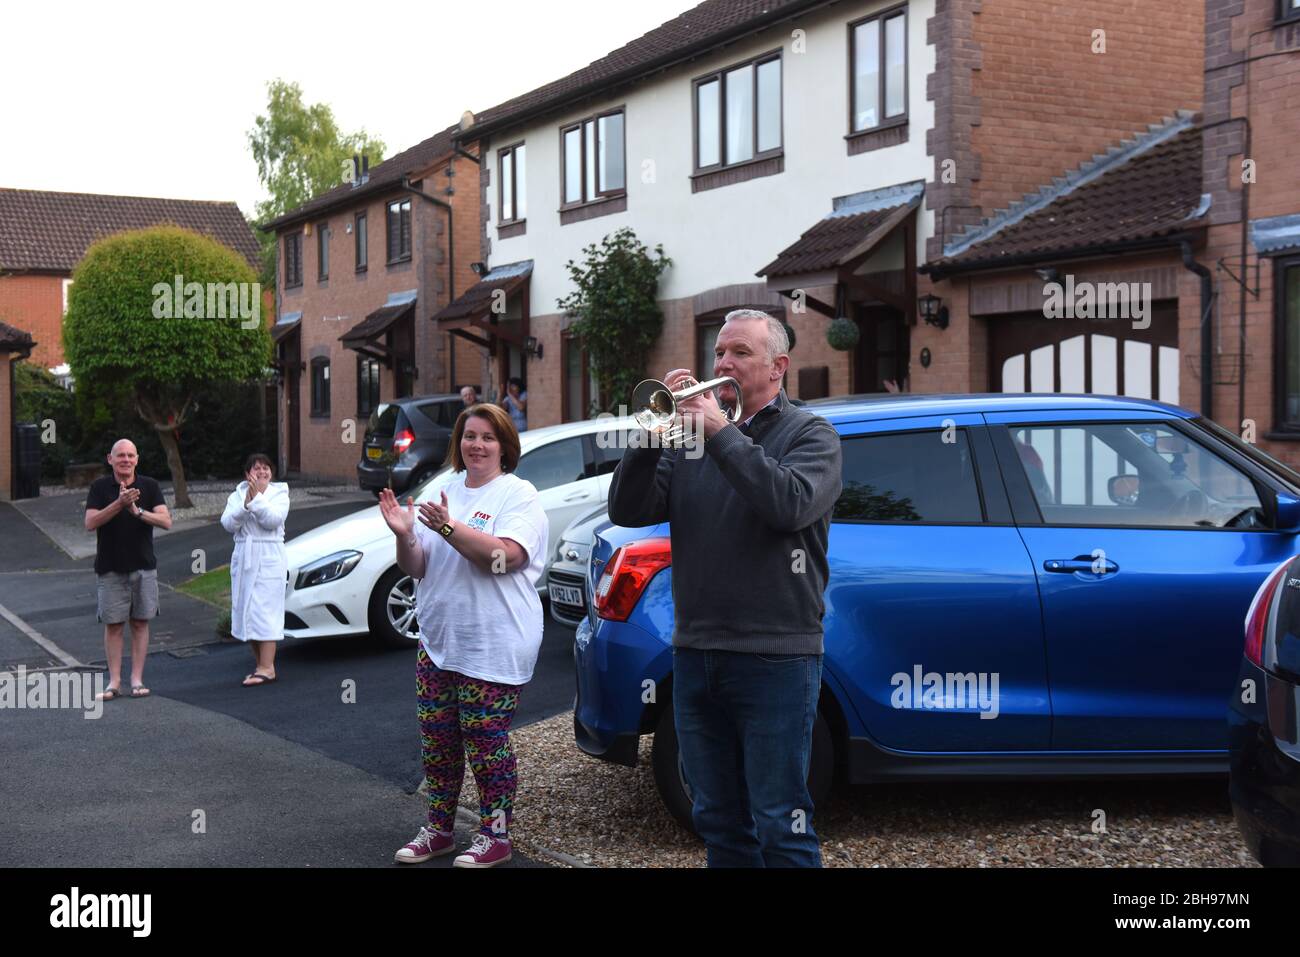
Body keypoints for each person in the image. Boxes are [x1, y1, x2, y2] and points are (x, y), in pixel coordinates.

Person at [608, 309, 842, 868]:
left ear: (777, 367)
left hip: (776, 658)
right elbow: (629, 508)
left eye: (738, 353)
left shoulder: (812, 434)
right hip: (696, 653)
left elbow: (786, 504)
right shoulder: (691, 439)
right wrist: (649, 436)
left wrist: (720, 432)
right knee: (717, 820)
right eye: (718, 353)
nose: (722, 364)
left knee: (779, 820)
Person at [379, 402, 548, 868]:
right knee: (438, 742)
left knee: (486, 742)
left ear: (504, 446)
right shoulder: (445, 489)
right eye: (470, 435)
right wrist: (404, 535)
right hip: (438, 641)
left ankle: (496, 835)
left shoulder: (518, 495)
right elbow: (419, 566)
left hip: (493, 643)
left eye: (488, 437)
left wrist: (450, 528)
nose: (477, 444)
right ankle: (440, 830)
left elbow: (506, 559)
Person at [83, 439, 172, 700]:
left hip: (143, 566)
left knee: (141, 623)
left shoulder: (150, 486)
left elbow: (166, 521)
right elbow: (90, 523)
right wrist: (119, 504)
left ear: (137, 459)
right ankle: (114, 682)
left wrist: (137, 510)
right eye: (120, 455)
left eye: (130, 455)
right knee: (113, 625)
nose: (126, 459)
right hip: (110, 568)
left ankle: (136, 679)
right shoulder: (100, 487)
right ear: (110, 459)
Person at [220, 453, 290, 686]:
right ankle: (260, 664)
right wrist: (245, 505)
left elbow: (272, 520)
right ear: (247, 473)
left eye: (266, 468)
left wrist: (256, 499)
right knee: (247, 610)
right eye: (256, 468)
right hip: (244, 555)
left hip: (269, 556)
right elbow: (228, 523)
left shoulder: (280, 493)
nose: (262, 472)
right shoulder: (236, 494)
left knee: (265, 610)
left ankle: (267, 667)